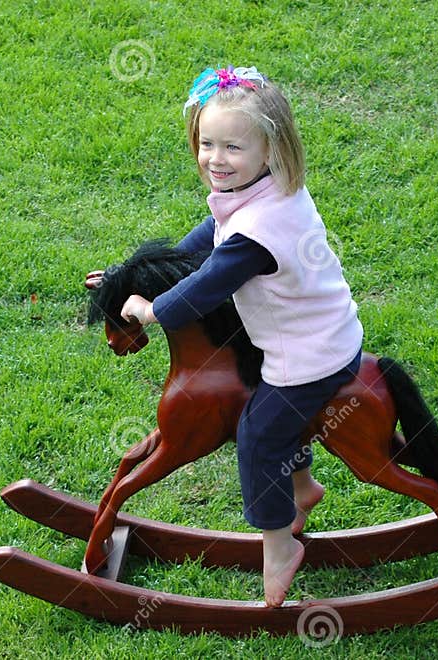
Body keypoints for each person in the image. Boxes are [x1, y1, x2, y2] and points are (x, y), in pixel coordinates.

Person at [89, 66, 363, 607]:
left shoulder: (261, 229)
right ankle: (302, 487)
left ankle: (280, 545)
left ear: (271, 149)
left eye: (233, 147)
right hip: (310, 331)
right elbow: (201, 243)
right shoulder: (257, 191)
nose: (216, 158)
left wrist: (151, 308)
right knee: (267, 414)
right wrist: (126, 275)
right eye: (206, 142)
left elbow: (208, 284)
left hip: (309, 354)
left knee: (259, 434)